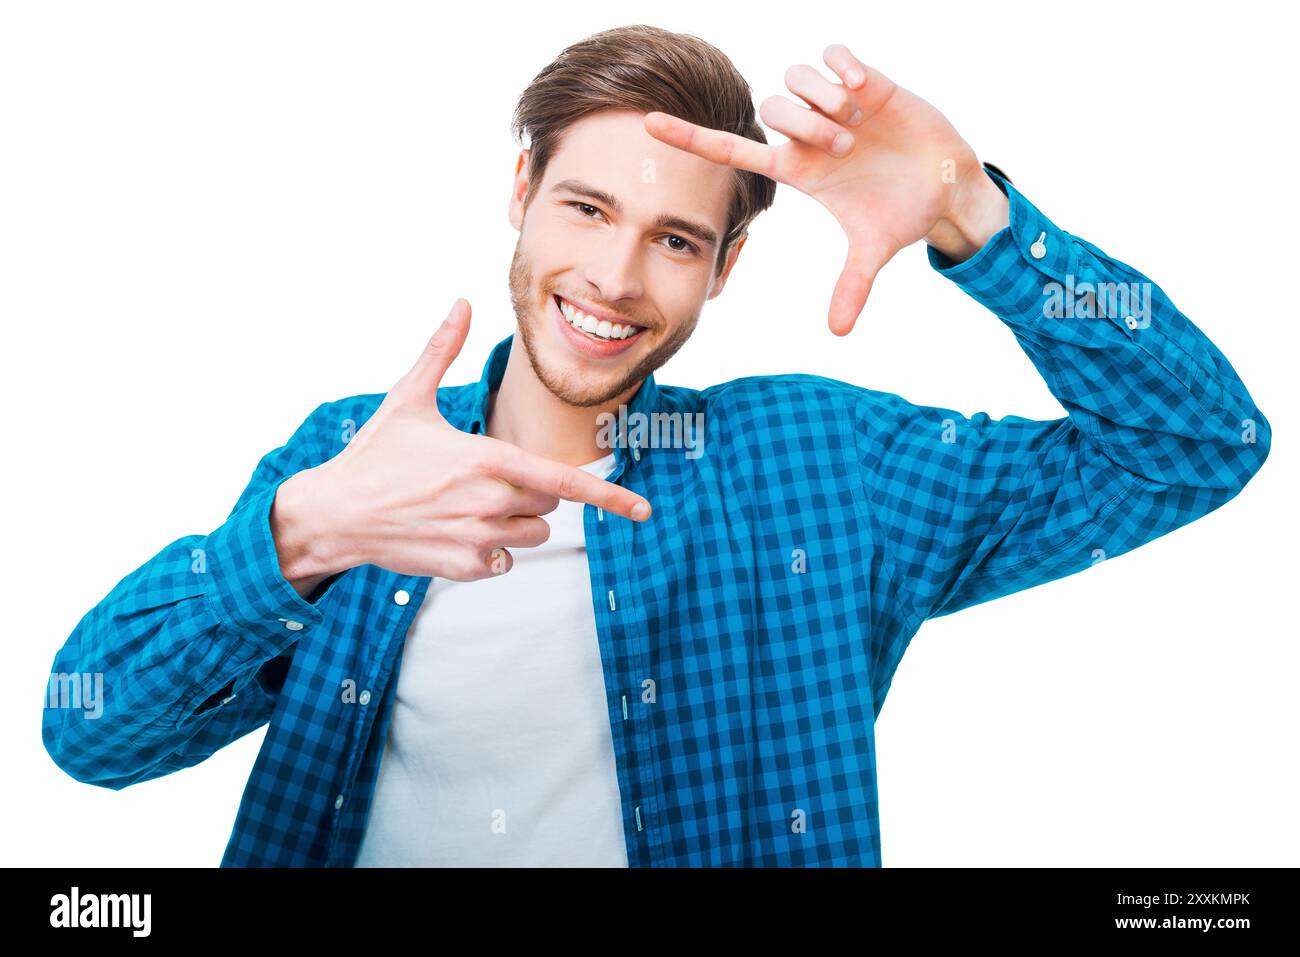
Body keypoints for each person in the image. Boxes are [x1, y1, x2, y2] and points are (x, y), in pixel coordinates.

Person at [43, 25, 1270, 867]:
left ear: (727, 267)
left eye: (677, 240)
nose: (616, 278)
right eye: (587, 208)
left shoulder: (825, 466)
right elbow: (88, 730)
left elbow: (1193, 442)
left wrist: (975, 216)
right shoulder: (358, 459)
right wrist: (294, 540)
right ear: (520, 191)